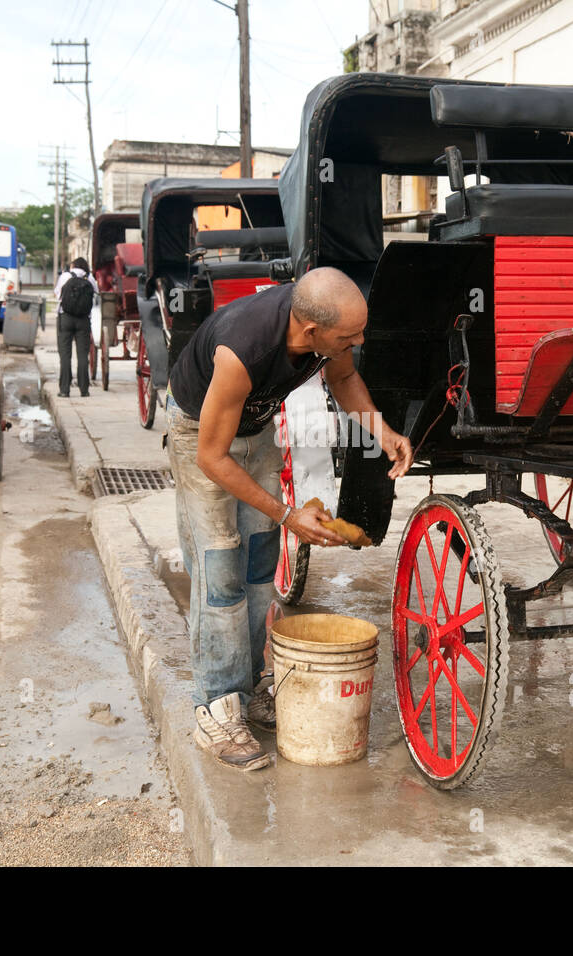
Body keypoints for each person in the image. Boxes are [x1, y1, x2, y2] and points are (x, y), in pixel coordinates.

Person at [165, 266, 413, 771]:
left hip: (254, 429)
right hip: (202, 436)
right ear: (310, 332)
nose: (359, 341)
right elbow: (212, 458)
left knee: (259, 568)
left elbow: (343, 378)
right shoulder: (243, 351)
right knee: (220, 576)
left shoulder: (327, 332)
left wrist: (381, 431)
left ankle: (253, 684)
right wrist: (287, 514)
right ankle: (215, 707)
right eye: (349, 336)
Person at [53, 256, 97, 398]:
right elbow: (96, 293)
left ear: (73, 265)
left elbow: (57, 294)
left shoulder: (65, 276)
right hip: (83, 320)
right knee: (83, 355)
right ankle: (84, 390)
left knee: (65, 355)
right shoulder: (89, 278)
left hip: (65, 318)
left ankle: (65, 390)